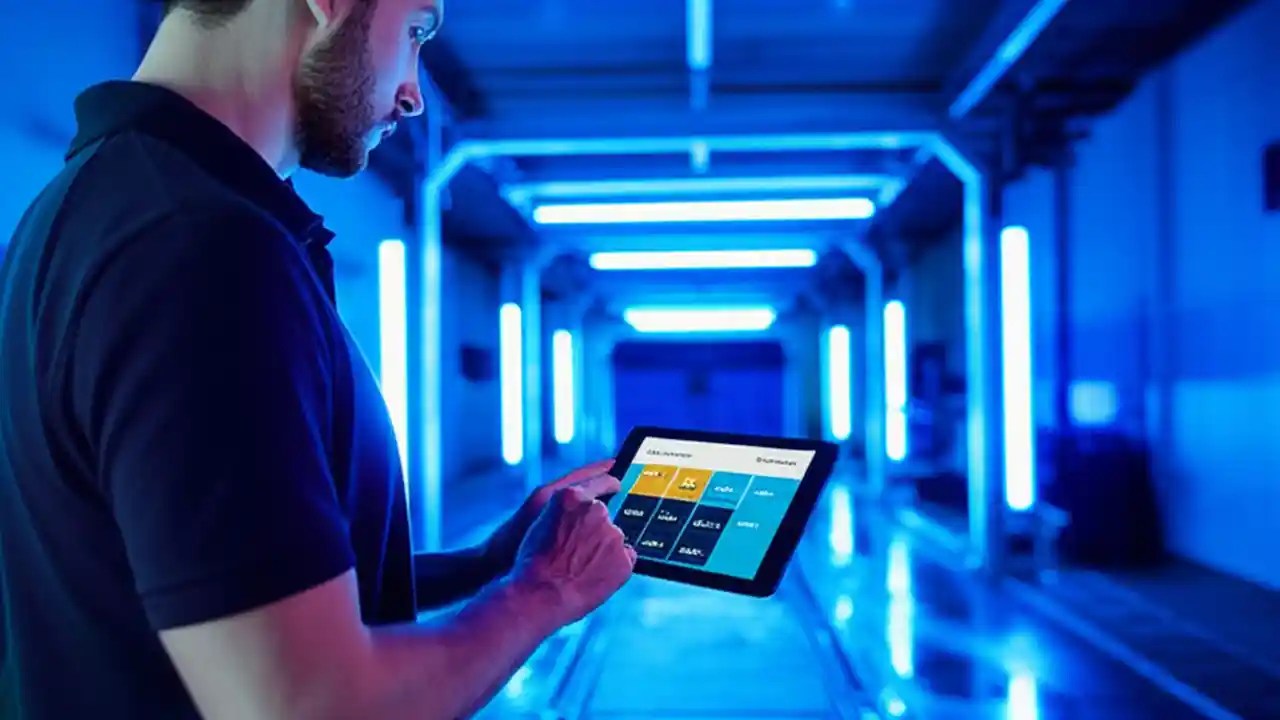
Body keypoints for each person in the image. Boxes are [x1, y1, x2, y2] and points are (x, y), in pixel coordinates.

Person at [0, 0, 636, 718]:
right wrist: (542, 593)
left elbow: (234, 584)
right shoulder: (202, 252)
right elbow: (311, 706)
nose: (414, 94)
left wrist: (488, 565)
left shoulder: (87, 210)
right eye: (417, 32)